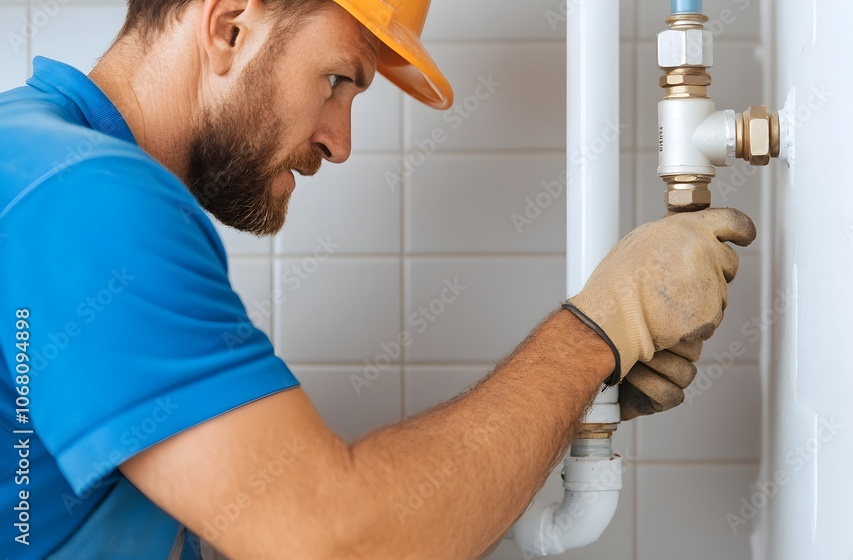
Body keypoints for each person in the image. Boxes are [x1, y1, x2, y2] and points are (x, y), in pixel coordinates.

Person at [0, 0, 756, 557]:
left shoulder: (38, 157)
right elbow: (338, 543)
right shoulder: (90, 198)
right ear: (230, 26)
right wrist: (594, 335)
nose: (340, 141)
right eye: (336, 80)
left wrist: (562, 403)